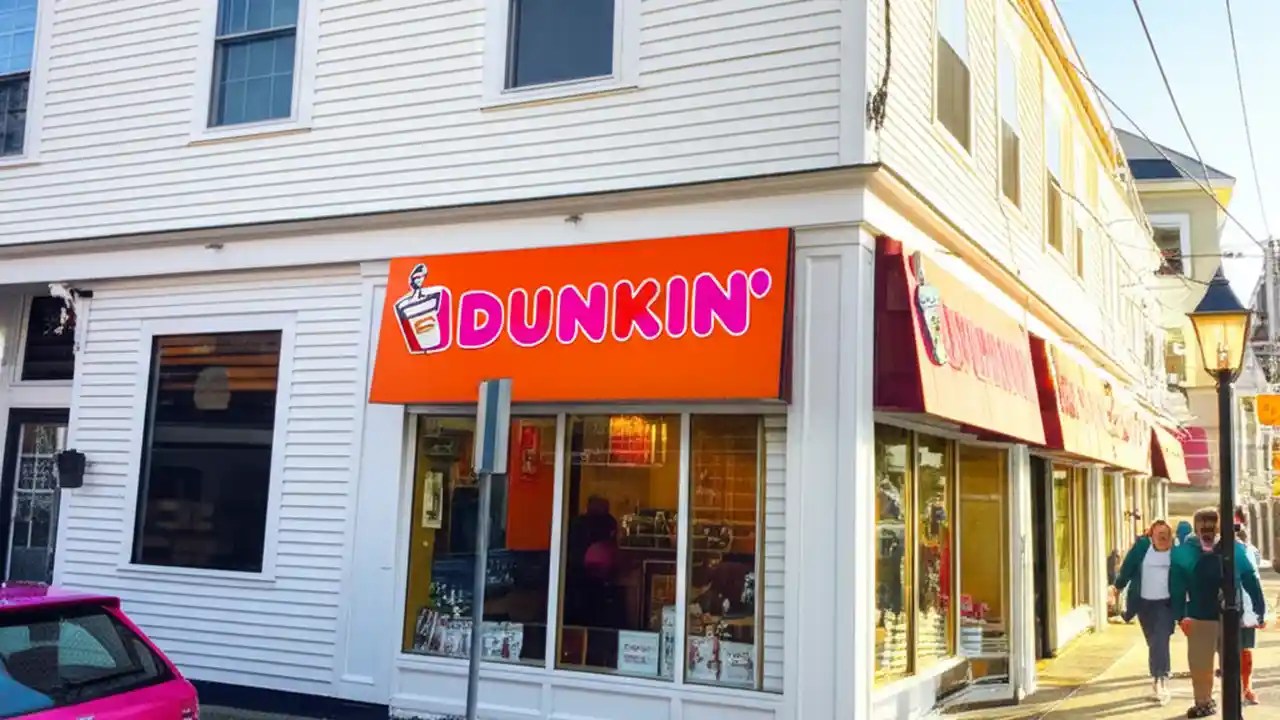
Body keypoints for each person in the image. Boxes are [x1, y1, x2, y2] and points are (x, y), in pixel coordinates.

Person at [1171, 507, 1266, 719]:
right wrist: (1259, 609)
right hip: (1228, 614)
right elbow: (1251, 578)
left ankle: (1204, 702)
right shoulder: (1233, 549)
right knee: (1229, 663)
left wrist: (1179, 614)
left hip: (1200, 615)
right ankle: (1231, 704)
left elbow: (1176, 587)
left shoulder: (1184, 552)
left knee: (1202, 664)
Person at [1112, 520, 1176, 704]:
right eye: (1159, 534)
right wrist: (1117, 587)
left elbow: (1184, 573)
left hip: (1166, 605)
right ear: (1151, 535)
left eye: (1166, 534)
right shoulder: (1142, 548)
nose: (1163, 537)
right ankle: (1158, 672)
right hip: (1143, 605)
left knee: (1160, 640)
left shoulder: (1175, 551)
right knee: (1153, 642)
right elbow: (1128, 568)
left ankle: (1161, 679)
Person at [1237, 524, 1265, 705]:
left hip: (1246, 608)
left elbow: (1255, 579)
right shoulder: (1215, 551)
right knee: (1230, 651)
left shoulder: (1249, 552)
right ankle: (1237, 688)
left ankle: (1246, 687)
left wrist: (1259, 611)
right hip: (1223, 608)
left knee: (1245, 649)